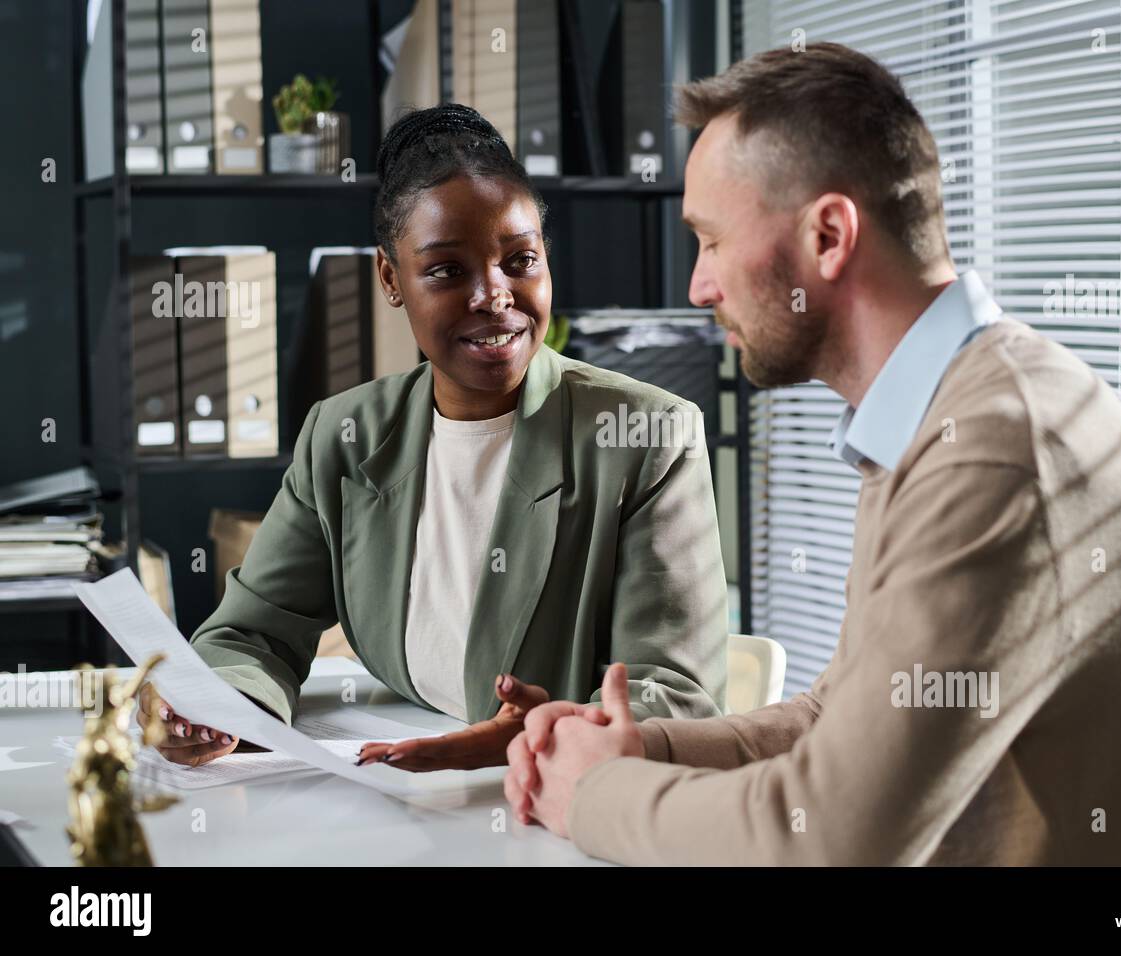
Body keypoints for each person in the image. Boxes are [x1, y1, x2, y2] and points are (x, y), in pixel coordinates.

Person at [505, 43, 1121, 865]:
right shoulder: (934, 415)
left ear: (828, 236)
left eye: (711, 241)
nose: (697, 287)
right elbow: (835, 719)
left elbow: (833, 836)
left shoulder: (996, 449)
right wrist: (645, 750)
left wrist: (593, 794)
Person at [138, 105, 728, 770]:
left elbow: (674, 699)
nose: (494, 295)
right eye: (447, 270)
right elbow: (250, 634)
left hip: (566, 808)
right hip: (409, 802)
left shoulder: (646, 438)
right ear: (391, 279)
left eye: (520, 260)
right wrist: (212, 708)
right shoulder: (347, 435)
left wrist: (526, 741)